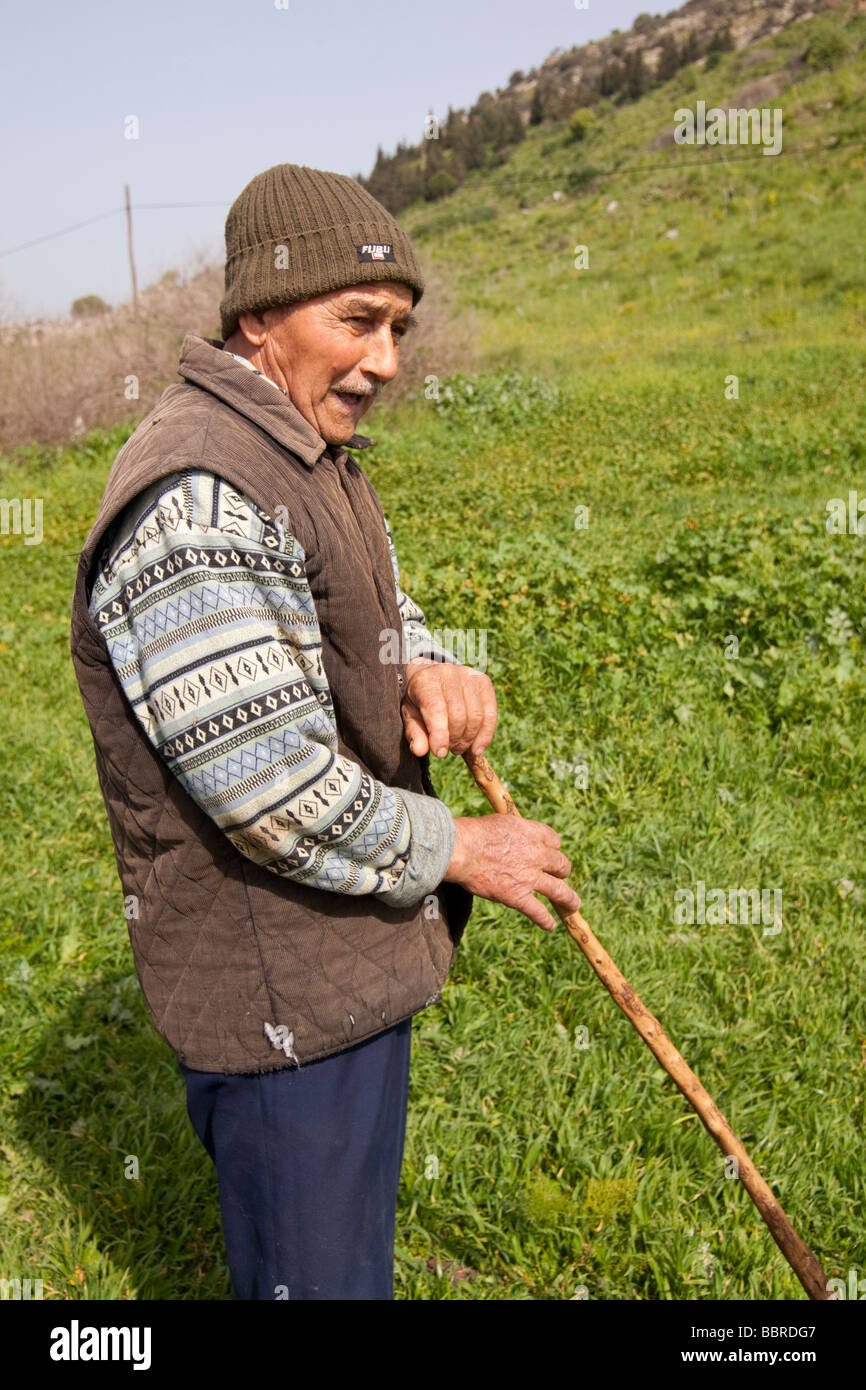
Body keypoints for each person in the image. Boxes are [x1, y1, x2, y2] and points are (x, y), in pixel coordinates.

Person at [69, 162, 581, 1300]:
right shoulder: (196, 497)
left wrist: (428, 661)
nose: (386, 360)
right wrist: (461, 848)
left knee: (336, 1259)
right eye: (356, 321)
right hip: (277, 990)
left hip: (328, 958)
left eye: (397, 326)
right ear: (259, 314)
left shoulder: (299, 452)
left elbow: (359, 603)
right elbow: (268, 784)